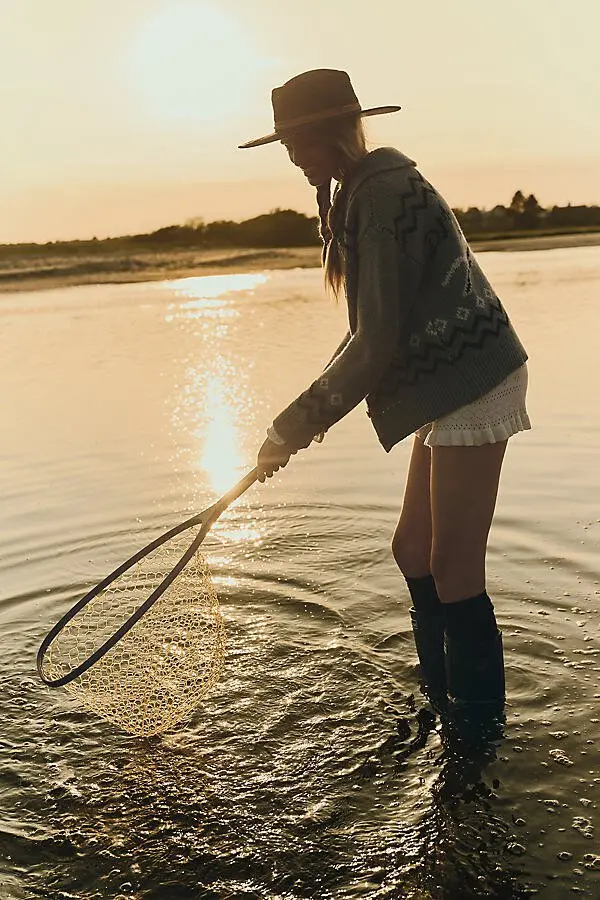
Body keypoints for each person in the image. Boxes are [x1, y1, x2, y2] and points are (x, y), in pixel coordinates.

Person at [238, 69, 530, 712]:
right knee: (411, 550)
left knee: (454, 571)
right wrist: (296, 424)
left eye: (298, 143)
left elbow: (373, 348)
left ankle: (476, 743)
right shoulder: (364, 193)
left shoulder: (378, 199)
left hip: (473, 379)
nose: (292, 157)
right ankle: (442, 699)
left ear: (333, 135)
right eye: (284, 145)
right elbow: (371, 335)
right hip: (442, 380)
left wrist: (294, 425)